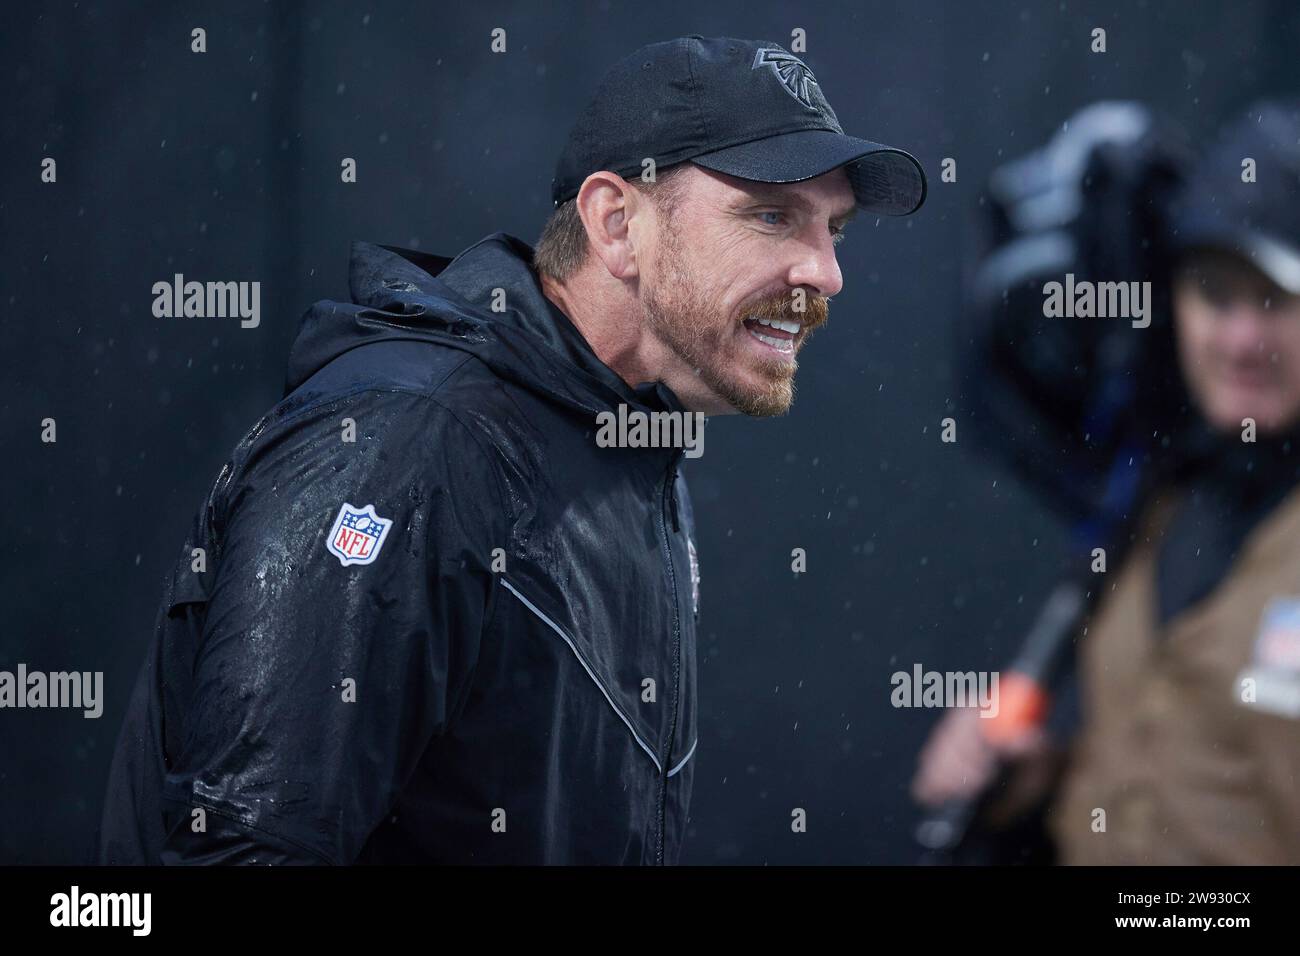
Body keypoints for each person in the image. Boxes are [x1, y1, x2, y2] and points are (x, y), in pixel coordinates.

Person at [97, 35, 926, 865]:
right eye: (772, 215)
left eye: (835, 232)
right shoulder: (407, 444)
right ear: (615, 223)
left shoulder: (632, 433)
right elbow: (238, 854)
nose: (824, 272)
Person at [912, 99, 1300, 864]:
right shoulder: (1153, 509)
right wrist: (1034, 796)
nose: (1243, 338)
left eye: (1278, 298)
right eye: (1215, 295)